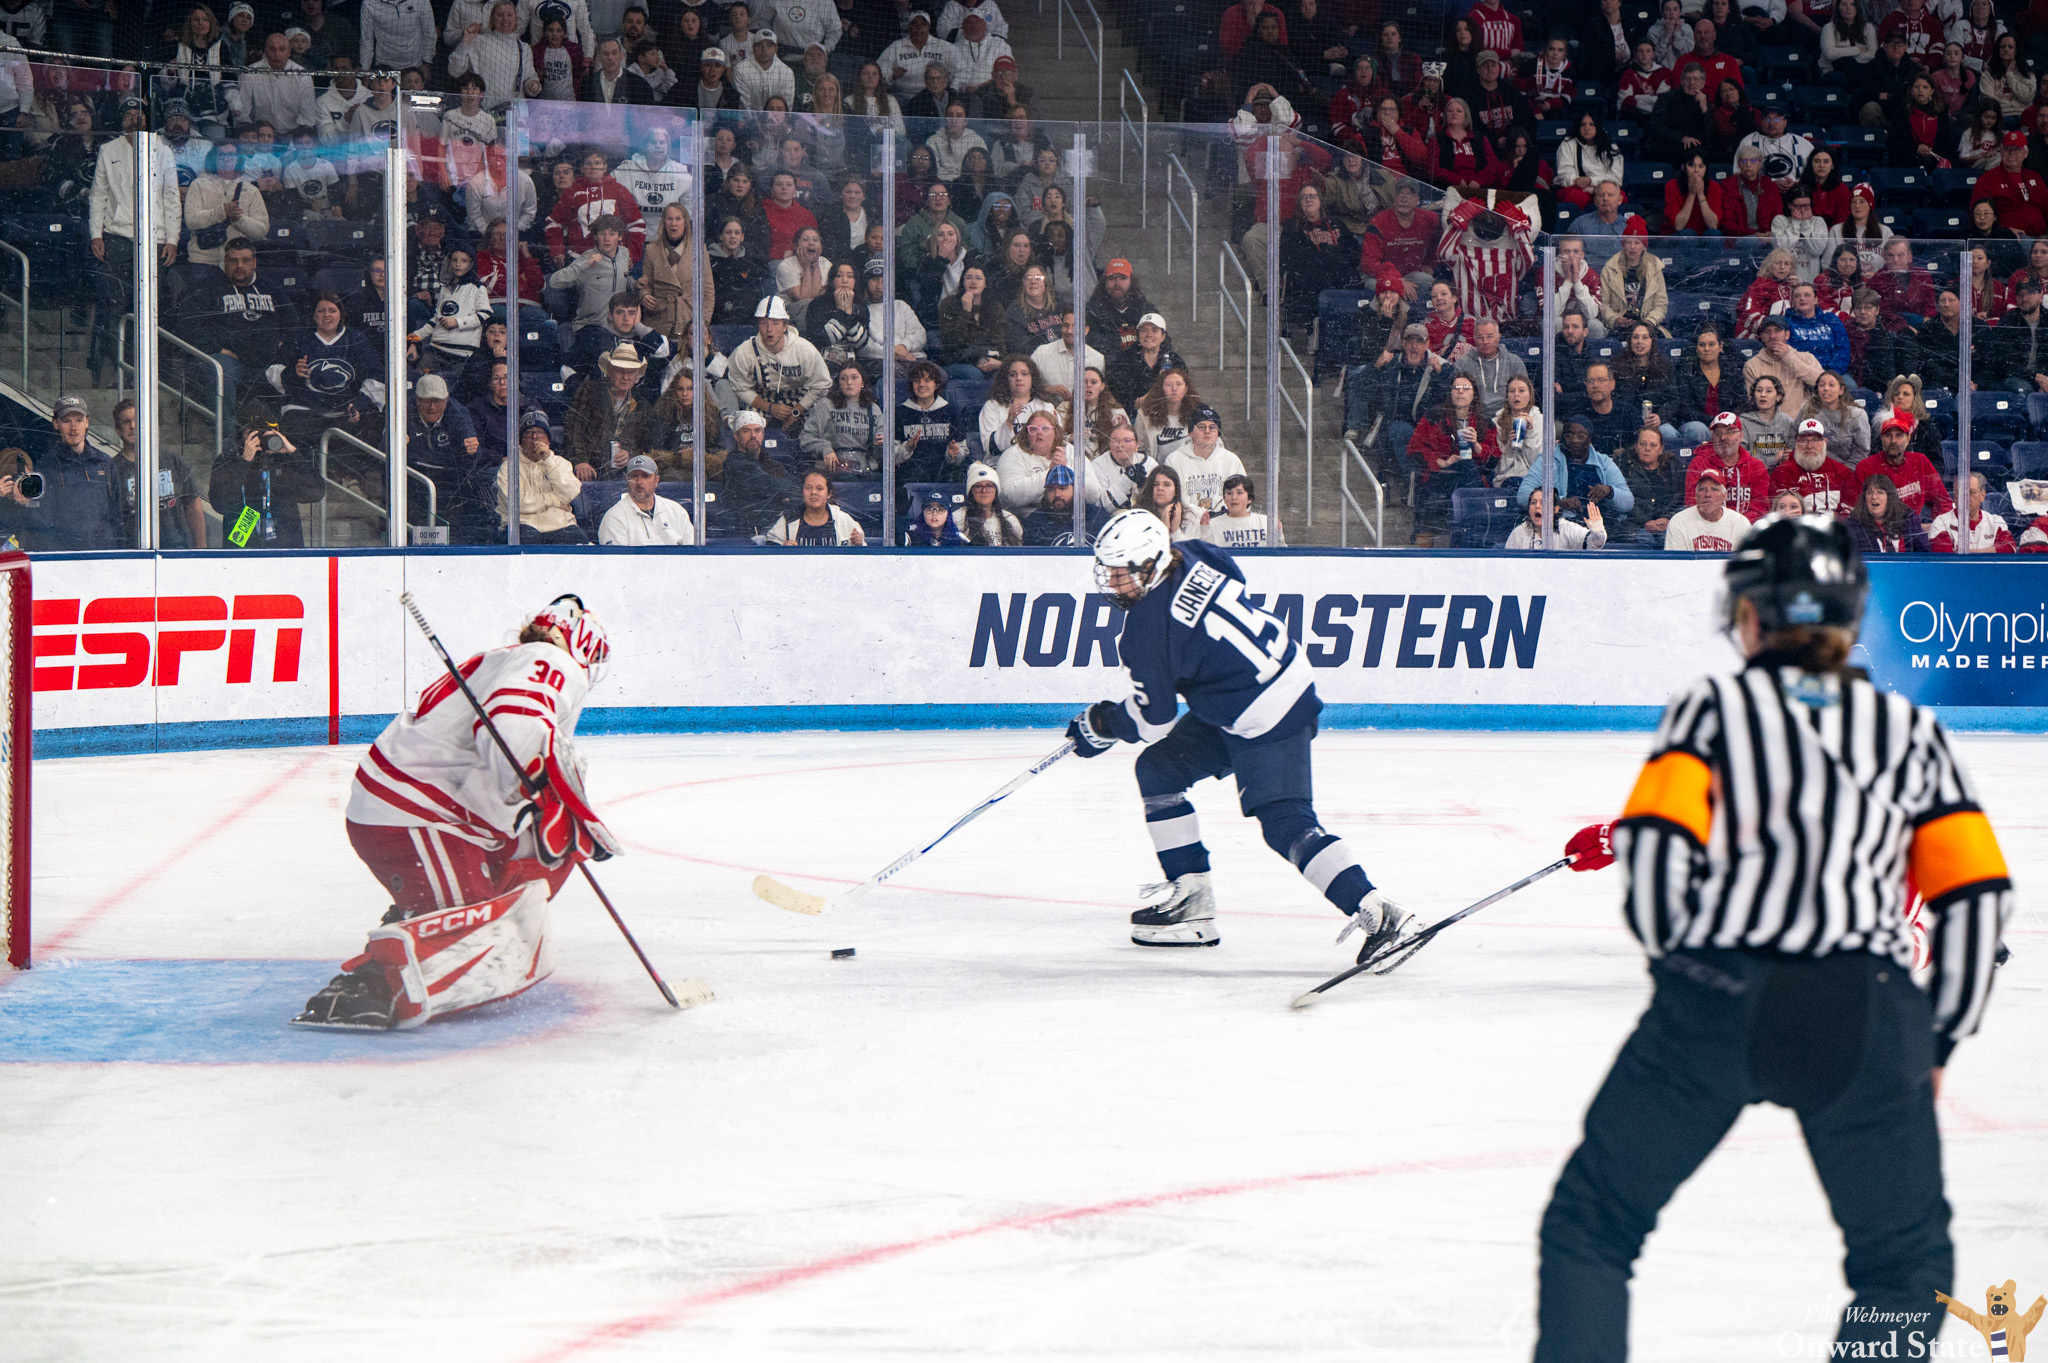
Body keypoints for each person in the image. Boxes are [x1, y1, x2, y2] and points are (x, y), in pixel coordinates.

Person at [1538, 514, 2010, 1358]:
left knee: (1593, 1224)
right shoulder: (1909, 731)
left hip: (1719, 993)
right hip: (1864, 1012)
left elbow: (1654, 847)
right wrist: (1936, 1039)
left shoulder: (1713, 706)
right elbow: (1976, 897)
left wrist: (1685, 973)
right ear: (1849, 617)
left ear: (1750, 616)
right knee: (1904, 1269)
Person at [1063, 509, 1409, 953]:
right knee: (1159, 770)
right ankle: (1192, 901)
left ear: (1150, 564)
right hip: (1261, 685)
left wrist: (1102, 723)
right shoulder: (1193, 553)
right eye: (1108, 572)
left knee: (1285, 824)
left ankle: (1377, 911)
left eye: (1120, 573)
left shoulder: (1144, 630)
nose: (1112, 584)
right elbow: (1234, 578)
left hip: (1267, 713)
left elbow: (1154, 720)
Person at [296, 595, 616, 1030]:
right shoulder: (550, 660)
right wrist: (532, 777)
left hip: (428, 811)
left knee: (552, 852)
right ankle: (373, 982)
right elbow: (514, 722)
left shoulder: (507, 658)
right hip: (416, 817)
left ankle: (423, 913)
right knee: (476, 945)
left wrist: (541, 802)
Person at [1517, 416, 1636, 523]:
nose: (1574, 440)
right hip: (1563, 525)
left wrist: (1609, 491)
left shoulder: (1604, 463)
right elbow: (1523, 495)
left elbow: (1628, 503)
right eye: (1569, 436)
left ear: (1590, 439)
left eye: (1581, 436)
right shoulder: (1547, 460)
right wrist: (1559, 501)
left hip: (1603, 524)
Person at [1855, 413, 1952, 521]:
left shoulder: (1920, 462)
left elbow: (1943, 502)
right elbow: (1857, 510)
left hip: (1914, 528)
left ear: (1908, 438)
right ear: (1882, 439)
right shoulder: (1866, 467)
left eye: (1899, 435)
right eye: (1888, 435)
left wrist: (1936, 526)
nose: (1893, 441)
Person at [1165, 405, 1248, 527]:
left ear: (1218, 433)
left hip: (1224, 526)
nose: (1207, 431)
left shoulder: (1231, 460)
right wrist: (1202, 515)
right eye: (1201, 427)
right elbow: (1175, 500)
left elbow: (1243, 498)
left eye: (1212, 427)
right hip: (1188, 526)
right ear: (1190, 432)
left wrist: (1219, 516)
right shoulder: (1174, 460)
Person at [1687, 410, 1772, 517]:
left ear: (1741, 436)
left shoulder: (1756, 466)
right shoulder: (1699, 464)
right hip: (1709, 525)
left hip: (1745, 525)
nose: (1723, 437)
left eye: (1730, 432)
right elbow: (1692, 504)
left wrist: (1738, 524)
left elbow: (1760, 507)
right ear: (1712, 437)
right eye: (1718, 433)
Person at [1770, 416, 1862, 515]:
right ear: (1796, 443)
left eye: (1815, 440)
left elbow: (1850, 510)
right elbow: (1777, 511)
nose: (1809, 446)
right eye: (1804, 440)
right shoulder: (1782, 472)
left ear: (1825, 442)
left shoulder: (1842, 472)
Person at [597, 454, 695, 545]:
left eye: (645, 476)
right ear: (627, 480)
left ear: (656, 480)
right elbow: (617, 557)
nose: (639, 482)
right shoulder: (614, 517)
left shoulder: (676, 511)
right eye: (634, 476)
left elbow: (693, 551)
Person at [1616, 426, 1686, 545]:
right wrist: (1645, 522)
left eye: (1653, 445)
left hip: (1666, 524)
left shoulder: (1673, 468)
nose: (1647, 449)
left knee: (1669, 537)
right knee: (1645, 539)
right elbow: (1624, 502)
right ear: (1636, 446)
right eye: (1642, 444)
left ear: (1661, 449)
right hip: (1634, 525)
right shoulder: (1624, 467)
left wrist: (1668, 519)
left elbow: (1680, 499)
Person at [1661, 462, 1752, 549]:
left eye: (1714, 489)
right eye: (1702, 489)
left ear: (1724, 496)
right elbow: (1676, 560)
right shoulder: (1679, 522)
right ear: (1696, 495)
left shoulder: (1741, 524)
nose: (1708, 494)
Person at [766, 468, 867, 545]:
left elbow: (860, 553)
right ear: (802, 492)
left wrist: (858, 544)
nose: (813, 492)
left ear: (829, 494)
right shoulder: (788, 520)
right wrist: (782, 549)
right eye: (808, 488)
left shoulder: (842, 519)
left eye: (819, 488)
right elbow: (770, 548)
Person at [1927, 471, 2016, 552]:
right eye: (1959, 492)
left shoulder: (1996, 522)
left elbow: (2009, 548)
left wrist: (1968, 553)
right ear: (1954, 495)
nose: (1964, 497)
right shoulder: (1941, 523)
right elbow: (1946, 558)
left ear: (1982, 495)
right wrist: (1990, 551)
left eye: (1971, 492)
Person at [1848, 471, 1932, 551]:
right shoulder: (1854, 525)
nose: (1874, 497)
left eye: (1880, 492)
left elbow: (1925, 553)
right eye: (1869, 492)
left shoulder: (1909, 520)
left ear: (1890, 497)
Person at [1506, 486, 1606, 550]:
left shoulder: (1566, 528)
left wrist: (1598, 533)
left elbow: (1593, 544)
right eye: (1533, 503)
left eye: (1543, 502)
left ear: (1555, 509)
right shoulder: (1518, 533)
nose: (1537, 506)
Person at [953, 460, 1022, 544]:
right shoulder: (957, 518)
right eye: (978, 486)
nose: (984, 491)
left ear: (996, 490)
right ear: (971, 491)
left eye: (989, 486)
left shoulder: (1011, 520)